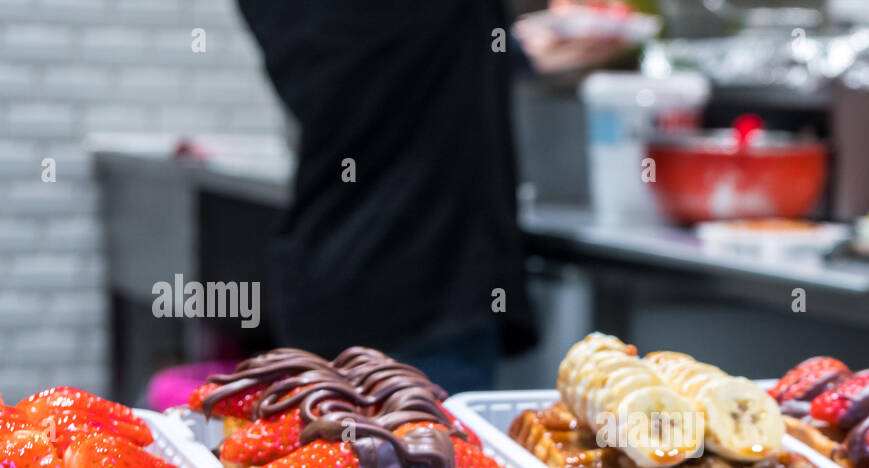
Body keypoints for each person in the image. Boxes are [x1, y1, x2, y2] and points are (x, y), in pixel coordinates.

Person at [236, 1, 628, 393]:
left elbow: (393, 64)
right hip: (427, 283)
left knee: (329, 446)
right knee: (436, 450)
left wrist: (506, 46)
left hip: (324, 280)